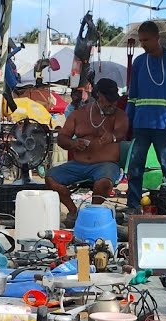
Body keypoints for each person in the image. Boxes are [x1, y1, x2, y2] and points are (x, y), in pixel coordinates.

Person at [125, 21, 166, 213]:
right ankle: (133, 205)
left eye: (146, 40)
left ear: (157, 38)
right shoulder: (138, 62)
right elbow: (132, 97)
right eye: (141, 40)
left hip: (164, 127)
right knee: (135, 168)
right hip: (140, 126)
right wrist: (127, 122)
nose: (143, 44)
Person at [45, 79, 129, 222]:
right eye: (109, 100)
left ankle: (91, 212)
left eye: (114, 101)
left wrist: (112, 137)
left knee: (104, 182)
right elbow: (62, 138)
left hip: (106, 163)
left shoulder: (119, 115)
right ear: (99, 96)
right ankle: (73, 211)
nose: (113, 104)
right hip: (79, 164)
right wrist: (74, 143)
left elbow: (121, 133)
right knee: (50, 178)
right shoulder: (79, 114)